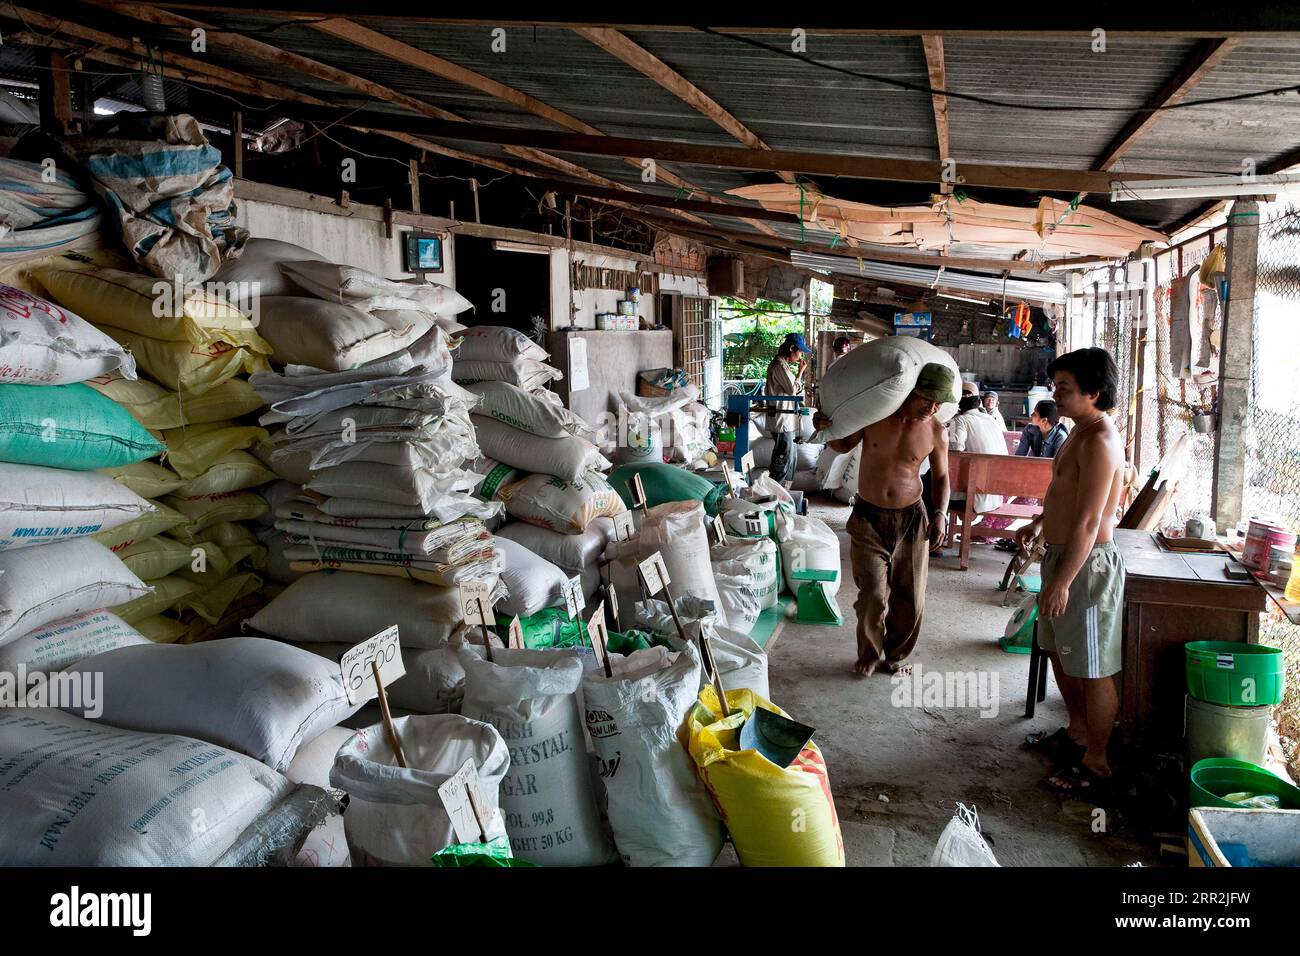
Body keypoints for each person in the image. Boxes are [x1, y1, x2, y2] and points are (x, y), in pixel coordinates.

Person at [1016, 347, 1126, 797]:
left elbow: (1089, 519)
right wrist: (1038, 523)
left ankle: (1097, 761)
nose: (1054, 395)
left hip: (1086, 563)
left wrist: (1062, 581)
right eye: (1055, 385)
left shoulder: (1101, 440)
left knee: (1094, 666)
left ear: (1093, 392)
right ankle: (1077, 733)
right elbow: (1064, 494)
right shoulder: (1077, 432)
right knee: (1060, 653)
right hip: (1062, 556)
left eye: (1064, 388)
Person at [813, 363, 954, 678]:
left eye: (939, 404)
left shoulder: (936, 431)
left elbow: (942, 477)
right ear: (912, 391)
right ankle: (869, 653)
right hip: (868, 517)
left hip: (912, 520)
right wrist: (826, 426)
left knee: (911, 597)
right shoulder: (876, 416)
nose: (932, 408)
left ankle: (895, 656)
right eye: (927, 399)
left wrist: (941, 514)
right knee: (873, 594)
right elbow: (842, 444)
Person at [947, 394, 1007, 535]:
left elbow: (955, 450)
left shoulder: (961, 420)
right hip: (995, 496)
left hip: (975, 497)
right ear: (979, 403)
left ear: (958, 406)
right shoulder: (991, 420)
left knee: (931, 487)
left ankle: (934, 541)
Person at [763, 333, 809, 488]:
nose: (800, 355)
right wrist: (800, 373)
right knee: (783, 459)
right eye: (800, 352)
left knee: (790, 457)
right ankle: (775, 492)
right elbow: (791, 389)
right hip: (781, 420)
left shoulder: (783, 365)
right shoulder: (779, 365)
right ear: (791, 349)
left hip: (785, 419)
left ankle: (785, 491)